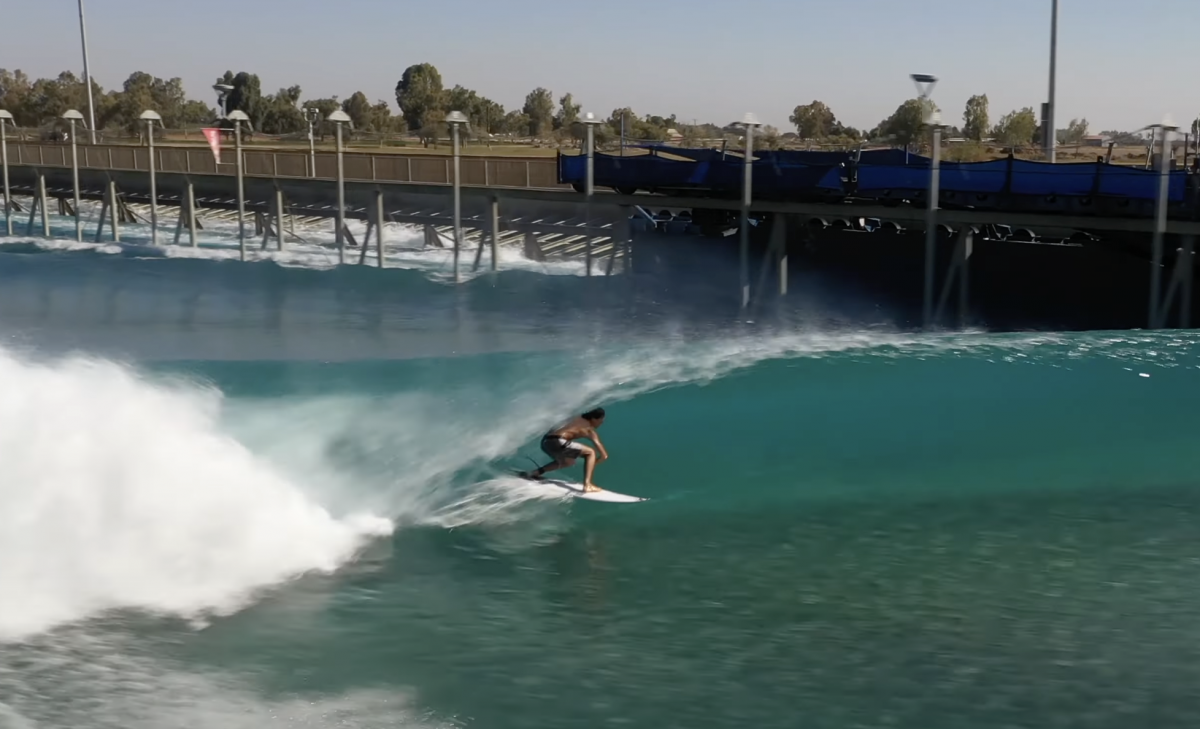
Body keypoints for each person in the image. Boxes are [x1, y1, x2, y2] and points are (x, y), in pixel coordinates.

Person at [521, 407, 608, 492]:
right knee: (590, 452)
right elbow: (603, 455)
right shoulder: (588, 429)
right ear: (593, 419)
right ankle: (587, 485)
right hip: (558, 441)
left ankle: (534, 473)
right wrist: (597, 460)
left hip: (545, 442)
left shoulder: (576, 417)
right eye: (600, 421)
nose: (601, 423)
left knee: (568, 462)